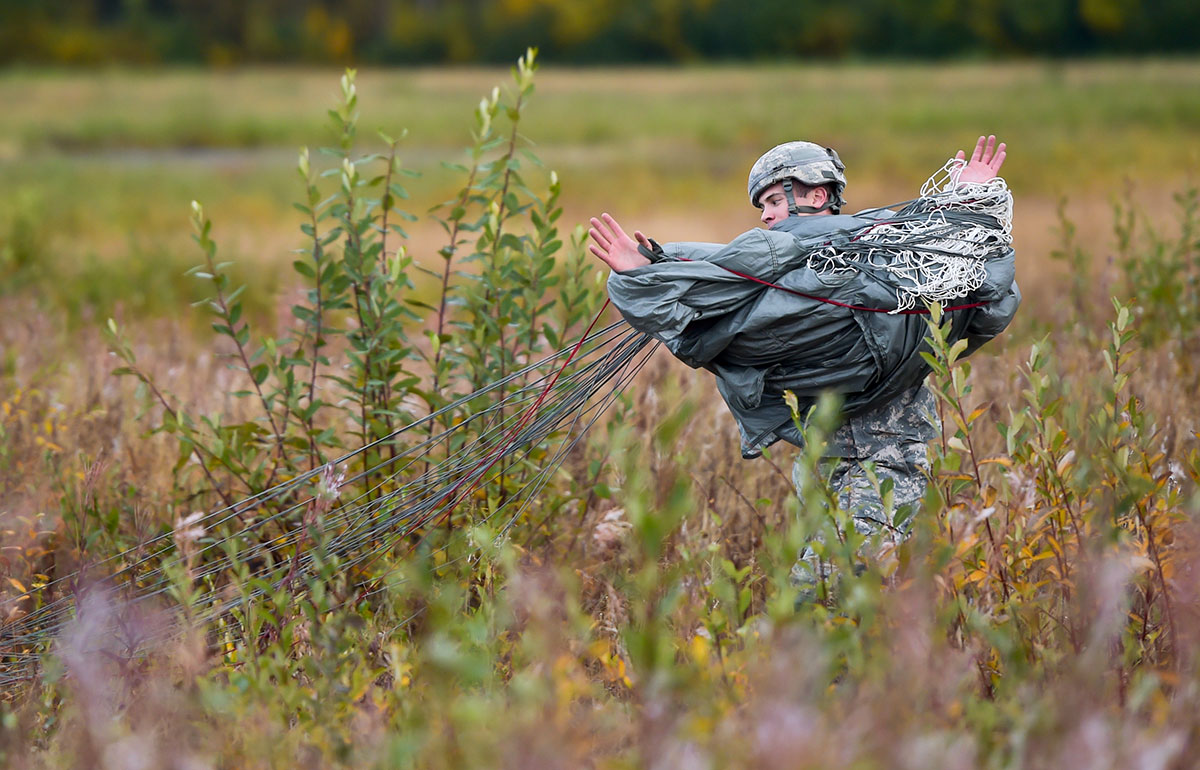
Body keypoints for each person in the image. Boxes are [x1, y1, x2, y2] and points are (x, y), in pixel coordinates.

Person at [587, 136, 1017, 599]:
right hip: (822, 463)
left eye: (773, 200)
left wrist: (967, 205)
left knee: (831, 598)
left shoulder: (893, 259)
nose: (766, 215)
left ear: (816, 194)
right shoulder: (778, 275)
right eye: (762, 208)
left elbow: (986, 300)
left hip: (883, 460)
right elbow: (724, 292)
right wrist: (654, 273)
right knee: (848, 602)